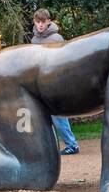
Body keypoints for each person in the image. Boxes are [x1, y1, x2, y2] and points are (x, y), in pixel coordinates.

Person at [30, 9, 79, 155]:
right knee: (43, 117)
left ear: (48, 22)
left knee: (58, 115)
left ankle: (72, 144)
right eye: (38, 22)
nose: (40, 25)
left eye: (43, 22)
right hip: (40, 83)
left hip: (56, 81)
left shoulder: (56, 38)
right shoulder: (34, 40)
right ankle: (49, 146)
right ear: (34, 22)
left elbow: (65, 59)